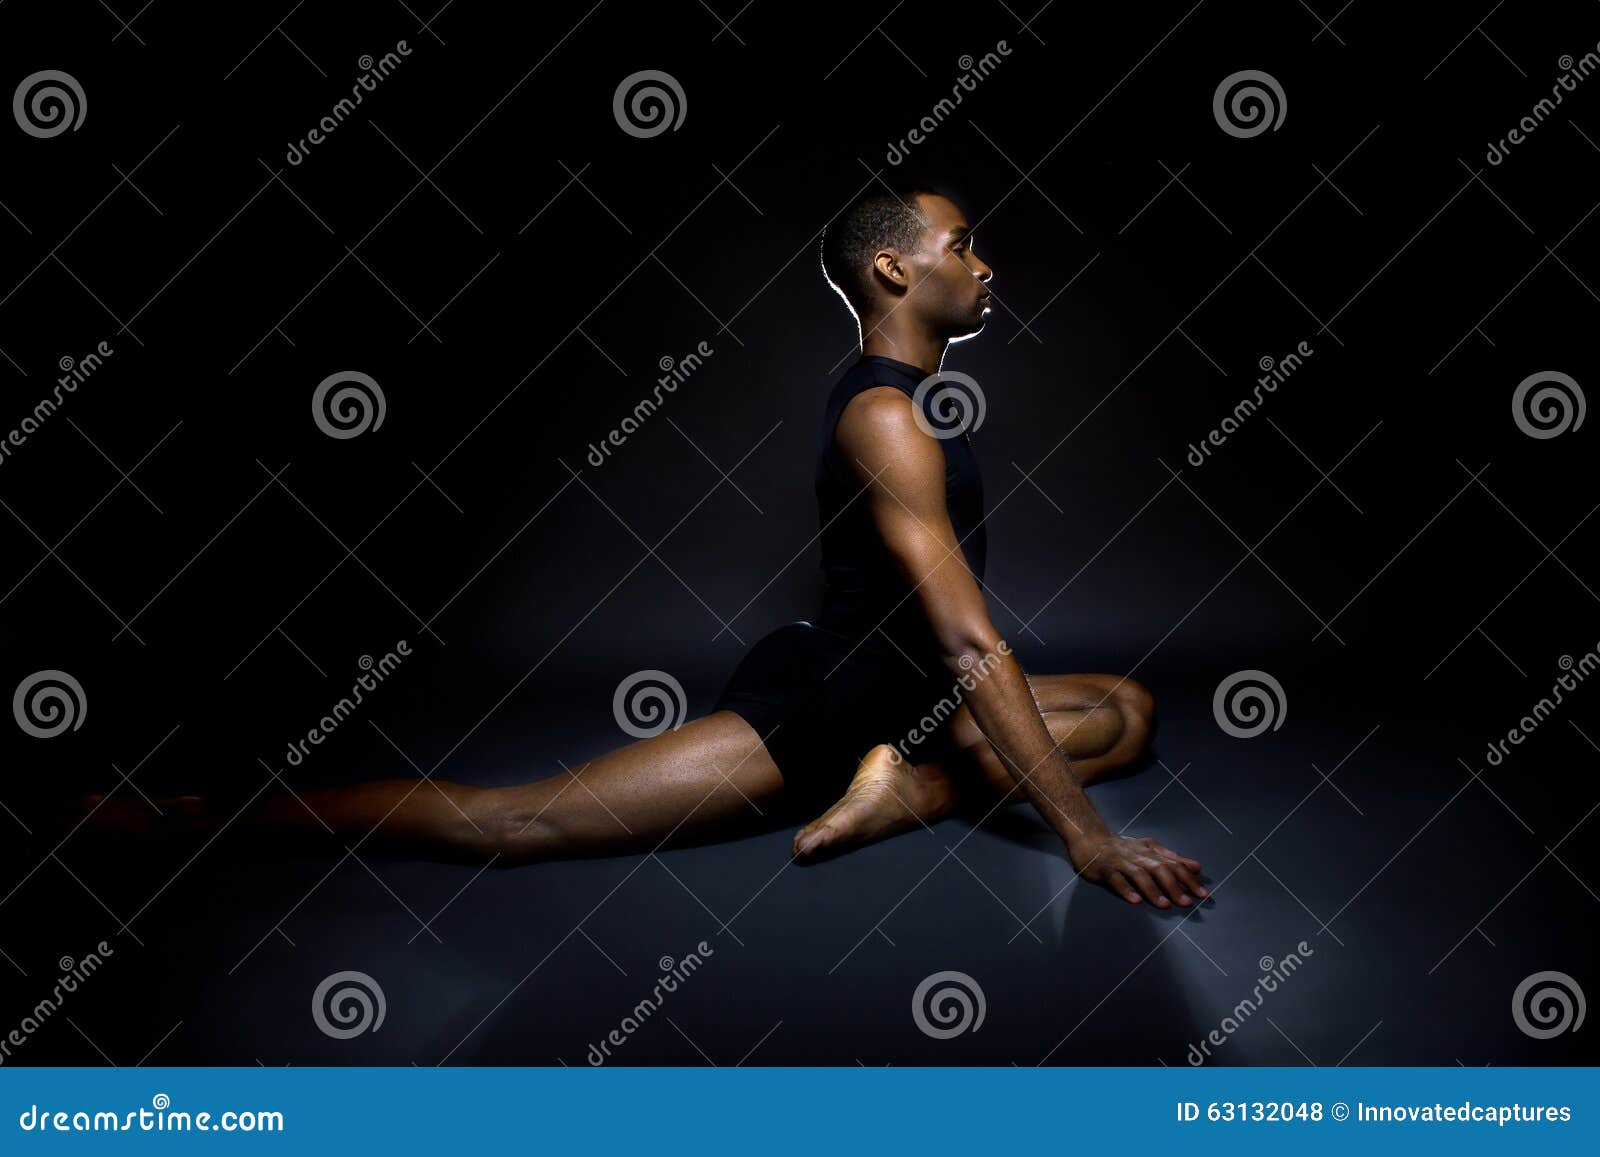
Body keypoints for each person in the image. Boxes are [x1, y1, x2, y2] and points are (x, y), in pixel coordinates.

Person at [91, 185, 1208, 911]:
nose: (986, 265)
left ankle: (904, 786)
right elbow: (967, 640)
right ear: (893, 271)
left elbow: (955, 653)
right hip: (822, 707)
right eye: (962, 246)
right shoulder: (886, 417)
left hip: (905, 702)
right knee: (516, 821)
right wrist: (1088, 842)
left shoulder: (912, 402)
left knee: (1126, 709)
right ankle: (189, 821)